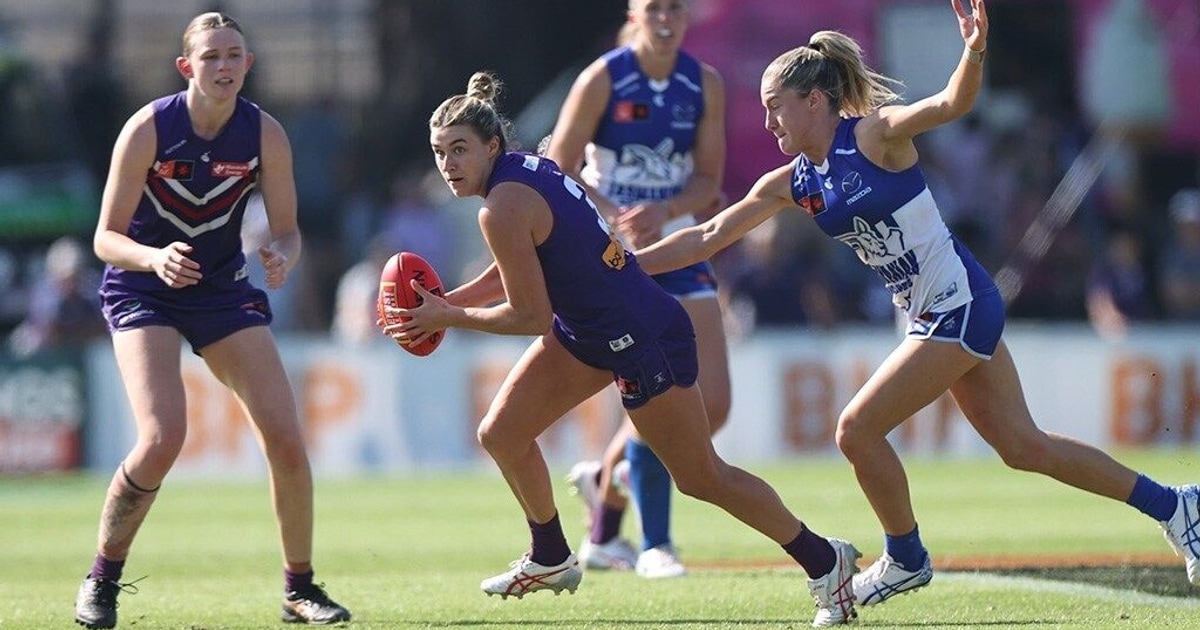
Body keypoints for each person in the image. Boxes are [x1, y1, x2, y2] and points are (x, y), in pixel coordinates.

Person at [632, 0, 1200, 609]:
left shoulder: (874, 136)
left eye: (776, 106)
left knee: (856, 430)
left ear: (814, 101)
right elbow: (709, 236)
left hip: (959, 305)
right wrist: (623, 265)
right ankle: (1176, 505)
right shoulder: (795, 180)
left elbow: (951, 104)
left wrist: (974, 51)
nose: (768, 120)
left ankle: (905, 558)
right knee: (1023, 446)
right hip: (934, 312)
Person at [382, 70, 860, 628]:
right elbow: (509, 267)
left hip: (641, 336)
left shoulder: (501, 204)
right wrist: (442, 303)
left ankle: (825, 560)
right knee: (502, 432)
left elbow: (531, 316)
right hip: (591, 330)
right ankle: (551, 555)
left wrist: (447, 315)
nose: (448, 164)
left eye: (460, 150)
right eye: (440, 153)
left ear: (492, 146)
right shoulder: (523, 176)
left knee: (701, 476)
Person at [75, 13, 351, 629]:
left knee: (284, 435)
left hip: (222, 290)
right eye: (211, 57)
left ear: (247, 65)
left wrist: (283, 255)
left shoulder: (264, 134)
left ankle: (300, 589)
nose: (224, 67)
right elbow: (104, 238)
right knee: (162, 437)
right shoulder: (149, 127)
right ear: (187, 67)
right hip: (143, 286)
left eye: (235, 56)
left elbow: (287, 229)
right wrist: (155, 257)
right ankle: (102, 580)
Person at [543, 0, 731, 578]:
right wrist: (610, 211)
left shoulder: (704, 84)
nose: (667, 18)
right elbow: (555, 167)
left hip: (677, 247)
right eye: (655, 8)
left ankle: (607, 481)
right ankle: (656, 544)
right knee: (661, 393)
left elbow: (708, 183)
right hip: (611, 257)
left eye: (676, 7)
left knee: (713, 405)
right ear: (635, 12)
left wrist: (665, 207)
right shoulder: (604, 78)